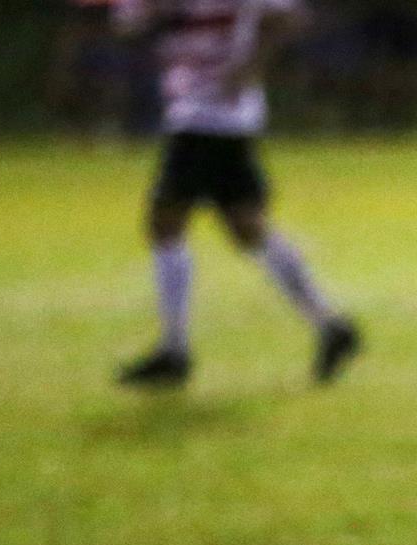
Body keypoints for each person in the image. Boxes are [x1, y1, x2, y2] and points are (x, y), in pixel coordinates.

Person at [113, 0, 361, 388]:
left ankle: (174, 351)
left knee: (166, 223)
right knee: (247, 229)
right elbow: (127, 26)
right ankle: (332, 326)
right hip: (204, 113)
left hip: (211, 116)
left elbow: (291, 17)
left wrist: (251, 64)